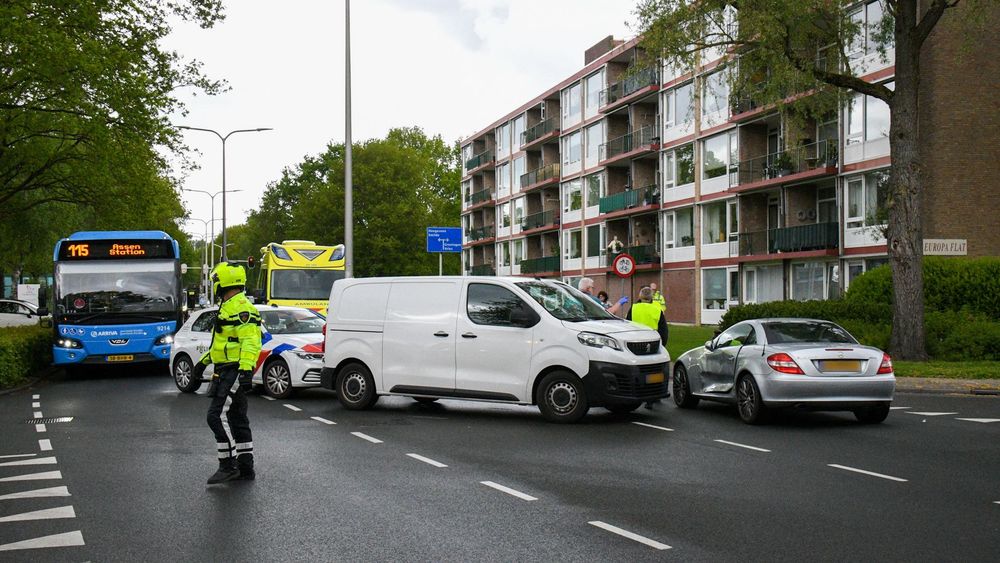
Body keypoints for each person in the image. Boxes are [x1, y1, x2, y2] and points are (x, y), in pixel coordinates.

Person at [195, 262, 263, 484]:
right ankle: (245, 468)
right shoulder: (229, 305)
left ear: (224, 283)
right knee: (236, 418)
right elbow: (224, 344)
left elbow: (250, 341)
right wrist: (203, 363)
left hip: (233, 370)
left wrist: (245, 371)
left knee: (215, 416)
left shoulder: (241, 308)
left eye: (215, 281)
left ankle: (228, 465)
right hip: (226, 368)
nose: (214, 285)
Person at [626, 286, 669, 409]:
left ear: (640, 296)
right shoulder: (657, 310)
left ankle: (636, 394)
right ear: (651, 297)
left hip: (635, 344)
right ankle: (653, 397)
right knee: (654, 372)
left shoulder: (633, 308)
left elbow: (626, 325)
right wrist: (662, 345)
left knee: (639, 371)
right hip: (653, 345)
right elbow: (664, 331)